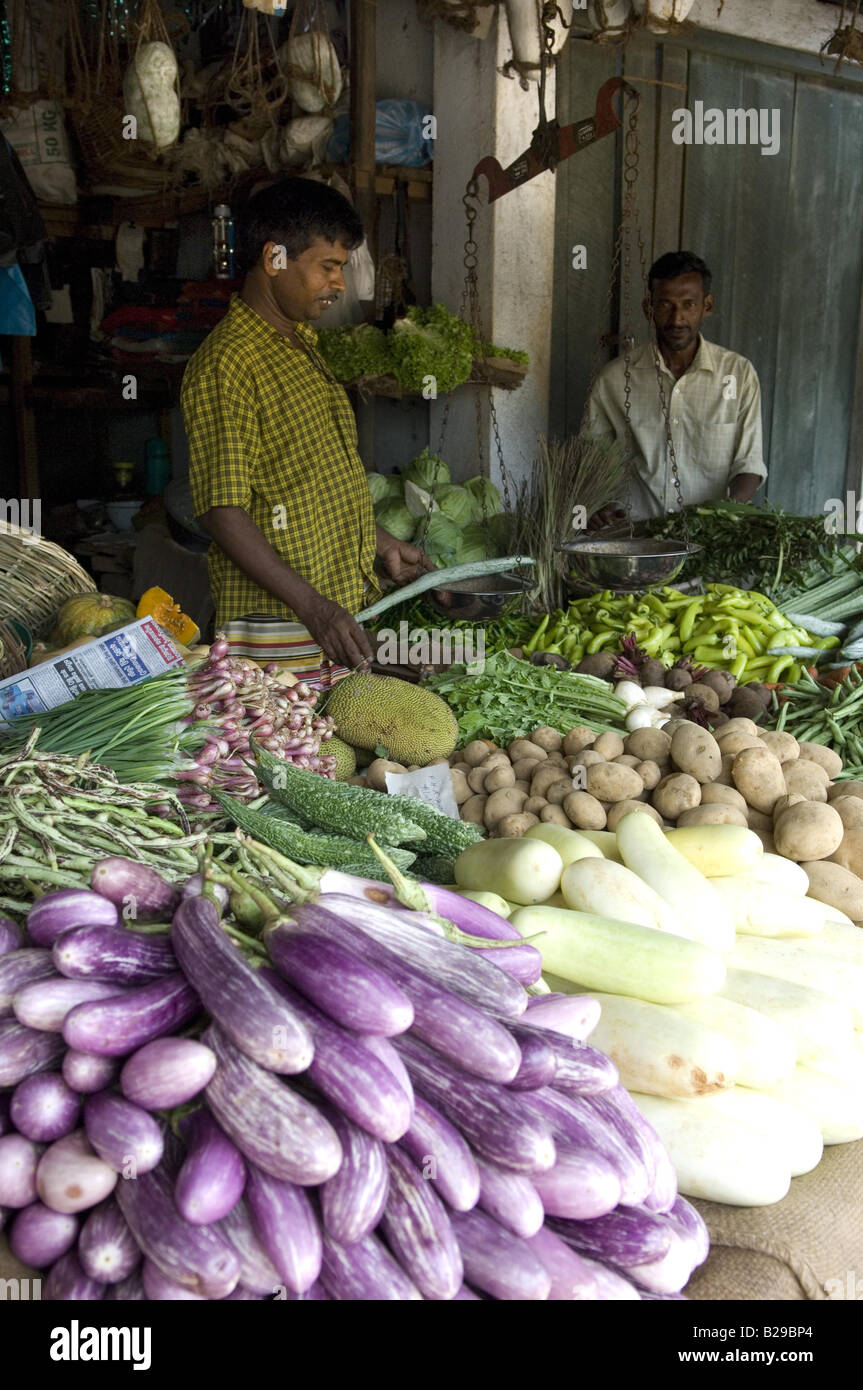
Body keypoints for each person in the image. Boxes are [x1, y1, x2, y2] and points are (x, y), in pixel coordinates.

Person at [181, 177, 433, 681]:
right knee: (291, 754)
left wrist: (380, 542)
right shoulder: (228, 363)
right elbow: (222, 510)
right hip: (279, 637)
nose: (339, 284)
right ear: (275, 259)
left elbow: (310, 484)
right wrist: (314, 607)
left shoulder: (300, 345)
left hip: (337, 622)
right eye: (328, 267)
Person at [586, 251, 767, 528]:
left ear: (707, 306)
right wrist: (599, 506)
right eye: (665, 305)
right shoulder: (613, 380)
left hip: (708, 544)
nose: (677, 319)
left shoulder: (738, 375)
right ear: (649, 308)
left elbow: (749, 465)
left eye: (688, 305)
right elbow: (592, 460)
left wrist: (718, 516)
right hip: (634, 543)